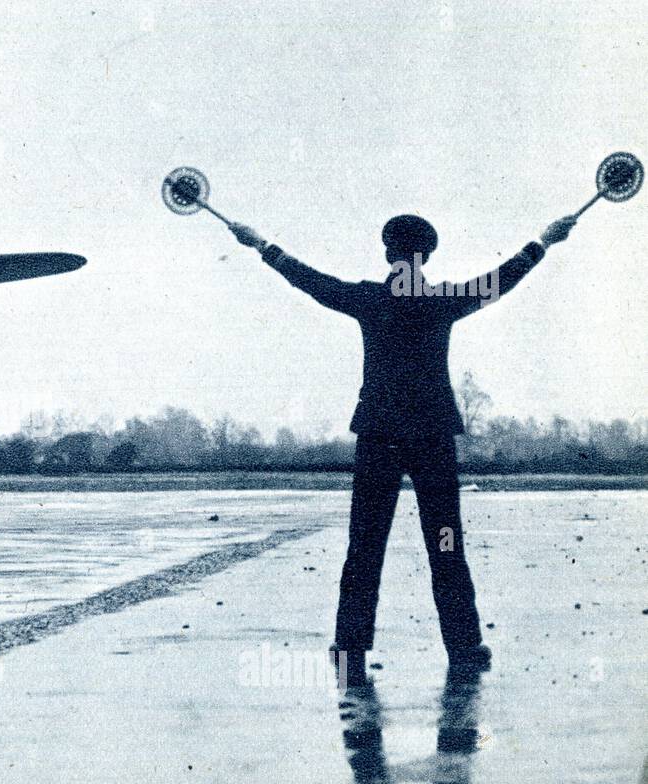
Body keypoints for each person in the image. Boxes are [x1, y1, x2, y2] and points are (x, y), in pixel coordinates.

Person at [226, 211, 578, 680]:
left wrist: (262, 243)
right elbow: (503, 279)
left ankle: (350, 648)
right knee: (446, 542)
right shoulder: (442, 300)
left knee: (365, 543)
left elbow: (308, 280)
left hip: (379, 435)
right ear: (427, 255)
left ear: (387, 252)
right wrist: (543, 241)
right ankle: (465, 646)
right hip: (432, 436)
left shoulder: (369, 299)